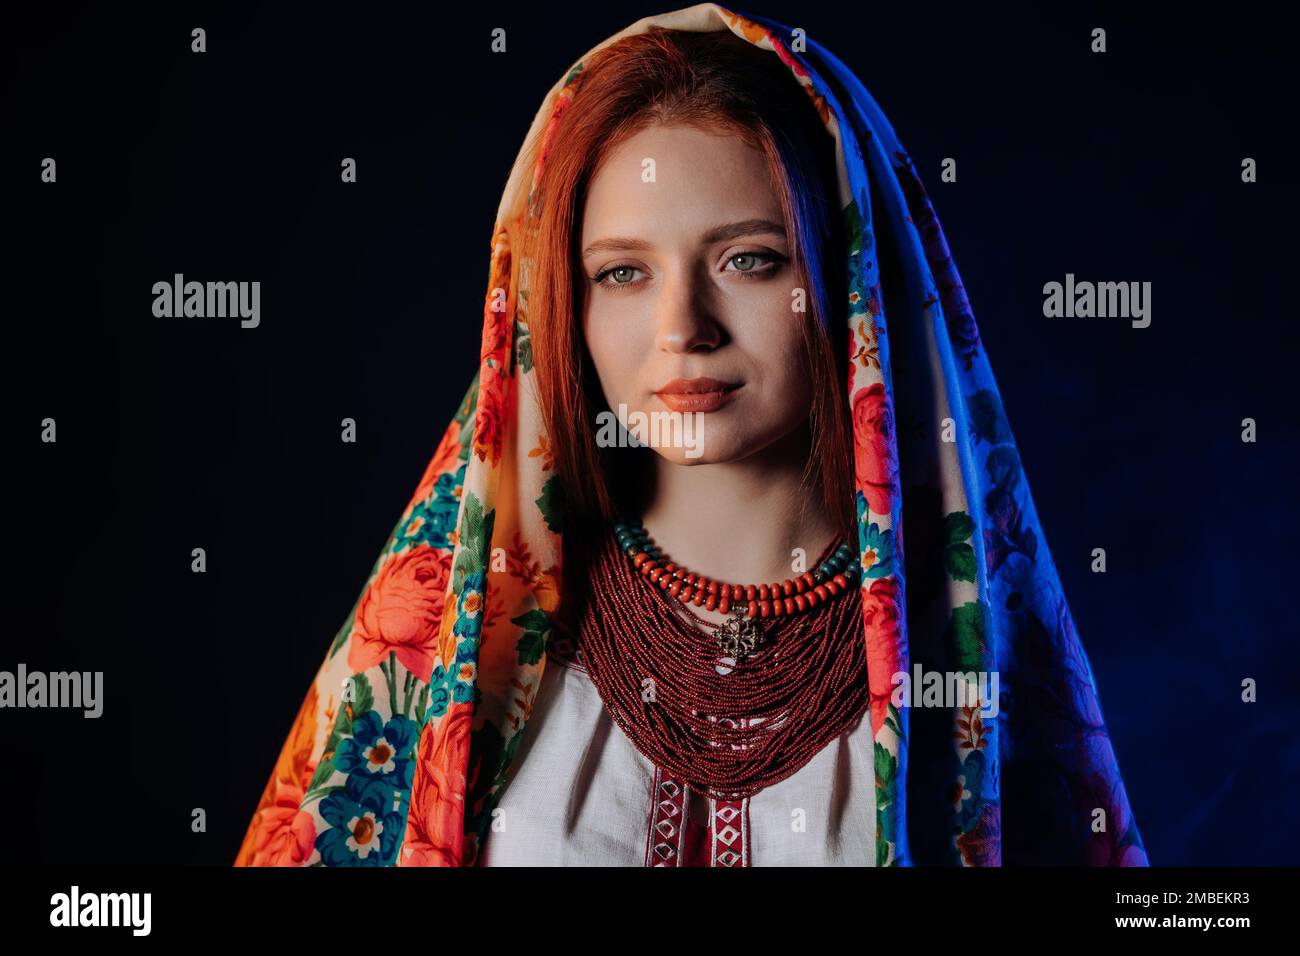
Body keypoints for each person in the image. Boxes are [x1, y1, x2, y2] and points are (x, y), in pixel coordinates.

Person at [234, 2, 1148, 868]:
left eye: (749, 260)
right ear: (561, 303)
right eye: (624, 273)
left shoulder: (961, 663)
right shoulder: (461, 641)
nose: (683, 326)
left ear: (855, 284)